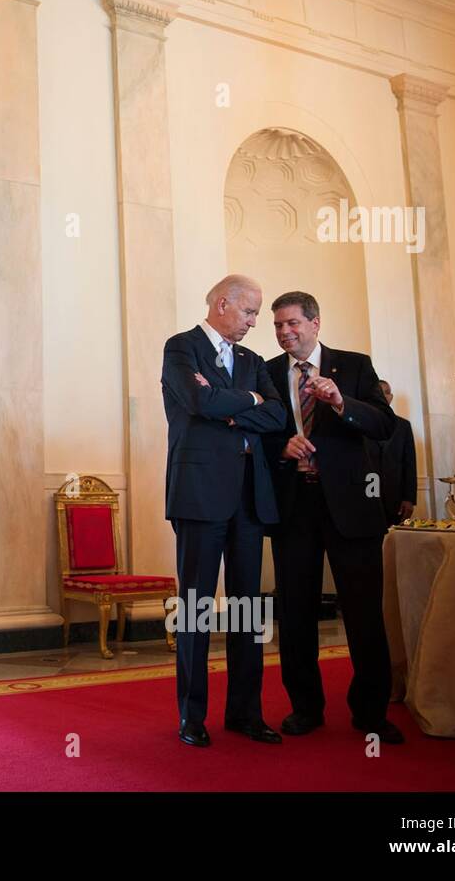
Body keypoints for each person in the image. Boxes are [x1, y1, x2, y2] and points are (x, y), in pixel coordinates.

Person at [264, 291, 402, 745]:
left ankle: (371, 713)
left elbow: (384, 425)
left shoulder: (355, 365)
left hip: (353, 508)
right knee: (297, 613)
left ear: (315, 322)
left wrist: (342, 403)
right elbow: (257, 434)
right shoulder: (264, 373)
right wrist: (281, 448)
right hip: (294, 506)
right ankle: (305, 708)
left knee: (363, 614)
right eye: (278, 325)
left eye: (293, 324)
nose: (285, 332)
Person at [161, 274, 287, 748]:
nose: (256, 322)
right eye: (250, 312)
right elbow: (196, 400)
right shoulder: (181, 348)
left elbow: (276, 416)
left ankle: (245, 713)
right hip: (198, 495)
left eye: (257, 314)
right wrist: (245, 402)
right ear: (221, 303)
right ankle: (192, 717)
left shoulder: (254, 362)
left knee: (245, 608)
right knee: (195, 609)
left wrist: (234, 406)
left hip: (249, 499)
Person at [372, 380, 416, 527]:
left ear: (391, 397)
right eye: (378, 392)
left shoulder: (404, 426)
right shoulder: (358, 424)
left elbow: (409, 464)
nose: (383, 396)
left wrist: (409, 499)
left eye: (387, 392)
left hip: (396, 499)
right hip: (367, 496)